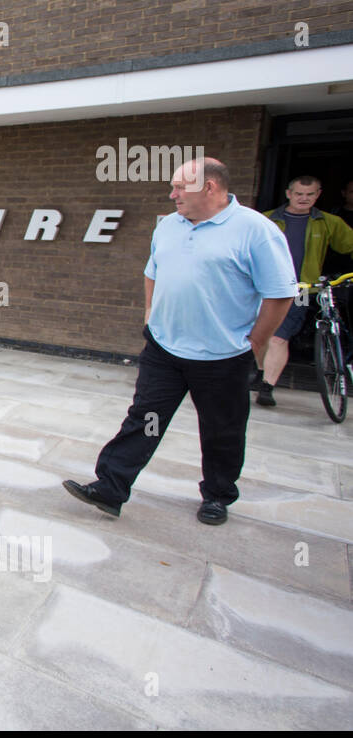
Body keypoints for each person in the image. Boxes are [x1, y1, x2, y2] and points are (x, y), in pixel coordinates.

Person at [63, 158, 295, 526]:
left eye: (179, 188)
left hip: (223, 357)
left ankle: (217, 495)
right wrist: (149, 314)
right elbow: (151, 271)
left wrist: (256, 341)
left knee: (222, 430)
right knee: (145, 419)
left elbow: (280, 294)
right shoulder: (169, 226)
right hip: (165, 350)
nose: (172, 195)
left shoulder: (256, 230)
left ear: (210, 187)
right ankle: (111, 486)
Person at [256, 176, 353, 406]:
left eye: (309, 195)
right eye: (299, 194)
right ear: (289, 194)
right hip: (265, 288)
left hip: (300, 291)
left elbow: (349, 243)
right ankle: (260, 372)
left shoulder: (328, 222)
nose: (304, 199)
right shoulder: (267, 220)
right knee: (261, 334)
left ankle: (266, 387)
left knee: (280, 337)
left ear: (318, 195)